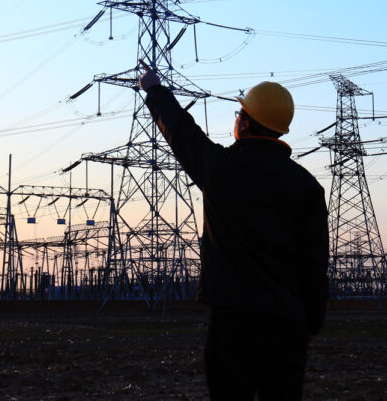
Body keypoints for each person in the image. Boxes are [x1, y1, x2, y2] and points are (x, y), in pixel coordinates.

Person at [139, 61, 329, 401]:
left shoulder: (220, 171)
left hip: (231, 321)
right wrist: (311, 323)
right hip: (287, 323)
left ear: (245, 122)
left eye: (239, 114)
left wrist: (154, 90)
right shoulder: (307, 187)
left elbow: (182, 132)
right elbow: (314, 266)